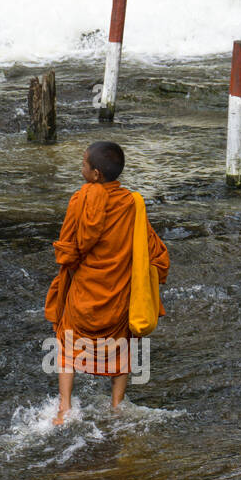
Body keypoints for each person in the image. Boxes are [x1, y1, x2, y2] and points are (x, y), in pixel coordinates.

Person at [47, 141, 169, 425]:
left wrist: (73, 269)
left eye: (83, 165)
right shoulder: (133, 204)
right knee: (122, 344)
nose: (81, 168)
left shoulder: (79, 200)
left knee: (67, 342)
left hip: (84, 291)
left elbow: (67, 248)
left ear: (96, 174)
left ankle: (64, 407)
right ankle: (117, 405)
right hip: (118, 292)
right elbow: (152, 249)